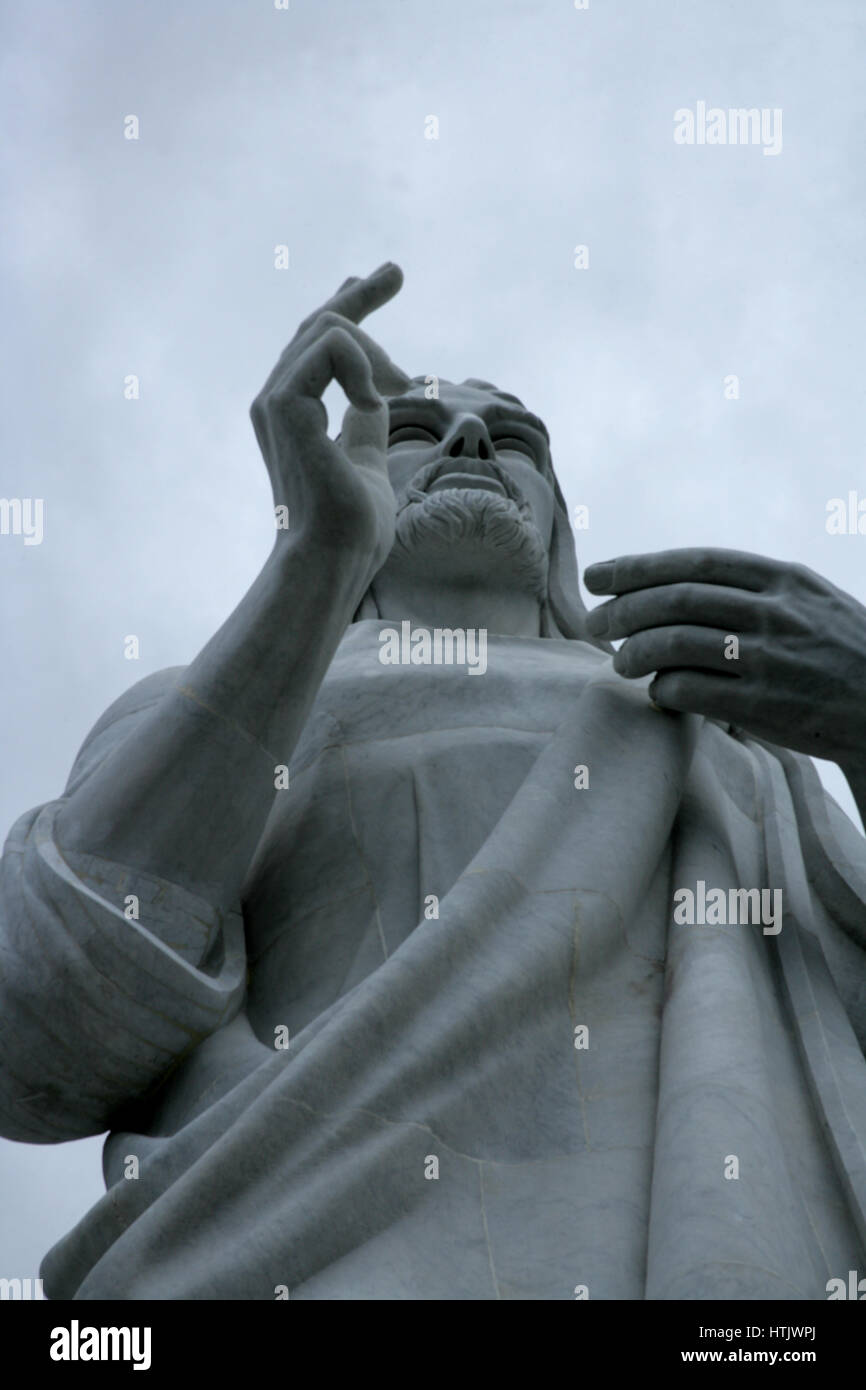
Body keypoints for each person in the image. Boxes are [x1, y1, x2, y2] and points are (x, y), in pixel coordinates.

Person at [3, 263, 866, 1299]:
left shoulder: (725, 736)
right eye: (414, 427)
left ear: (555, 521)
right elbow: (38, 1030)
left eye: (514, 440)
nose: (467, 441)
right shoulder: (216, 697)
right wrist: (313, 565)